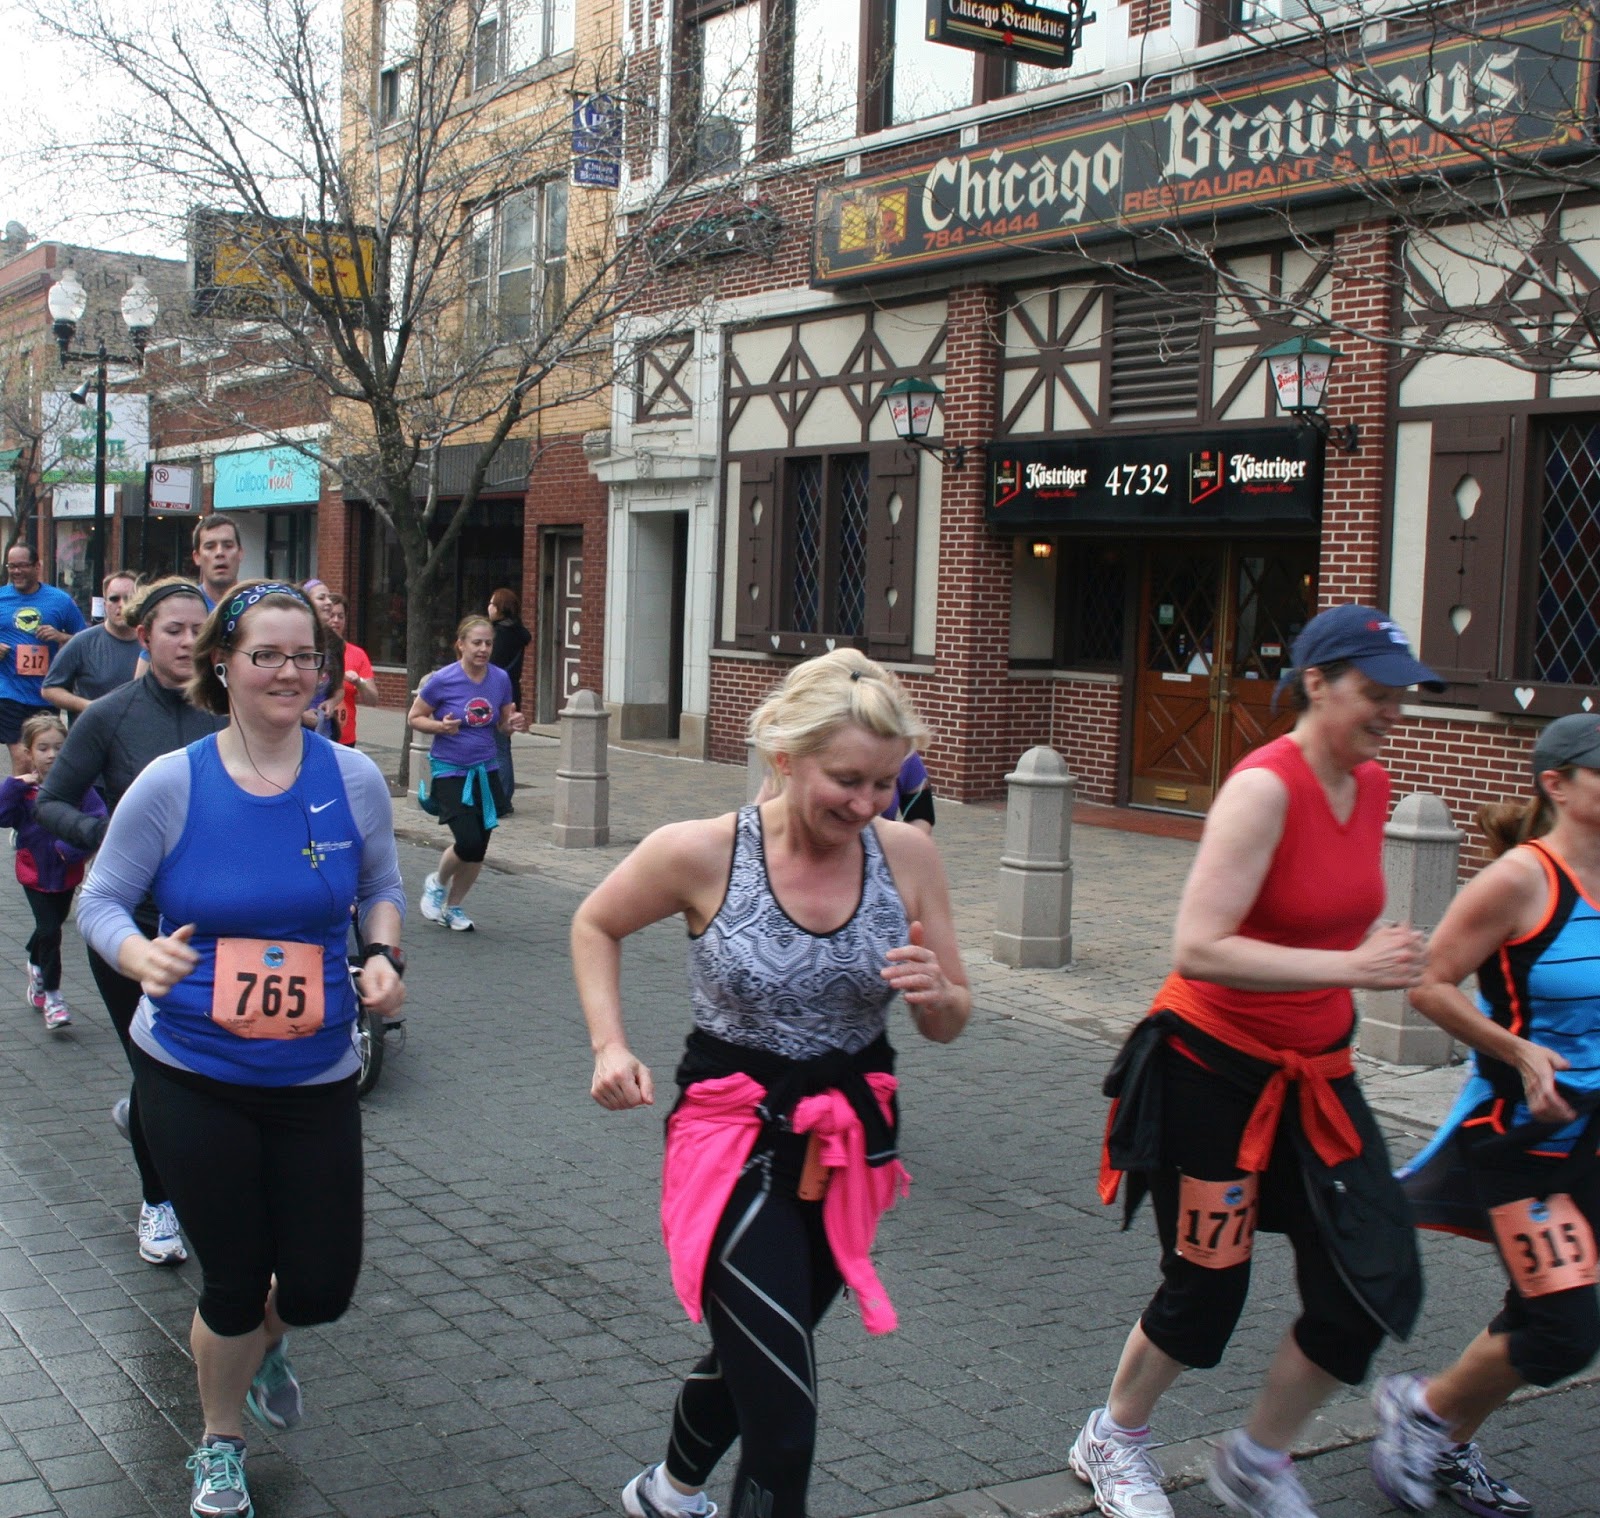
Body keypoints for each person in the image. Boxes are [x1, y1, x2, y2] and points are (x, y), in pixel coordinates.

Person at [571, 648, 970, 1518]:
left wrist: (940, 997)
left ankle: (668, 1492)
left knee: (758, 1350)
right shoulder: (702, 852)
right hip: (733, 1138)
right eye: (848, 780)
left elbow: (949, 1020)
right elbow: (595, 922)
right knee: (783, 1428)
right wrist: (610, 1044)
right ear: (786, 757)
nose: (866, 806)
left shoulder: (907, 857)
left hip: (849, 1143)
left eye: (884, 784)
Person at [1079, 604, 1440, 1518]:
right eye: (1376, 692)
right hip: (1211, 1068)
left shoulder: (1374, 781)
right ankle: (1113, 1437)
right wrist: (1351, 966)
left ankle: (1257, 1458)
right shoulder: (1263, 787)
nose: (1391, 711)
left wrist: (1368, 964)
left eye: (1401, 695)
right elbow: (1198, 944)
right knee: (1207, 1287)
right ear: (1316, 683)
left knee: (1370, 1279)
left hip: (1317, 1073)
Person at [75, 579, 406, 1518]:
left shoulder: (351, 778)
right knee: (229, 1278)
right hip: (192, 1071)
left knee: (320, 1284)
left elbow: (379, 884)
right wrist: (140, 952)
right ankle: (219, 1444)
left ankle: (271, 1341)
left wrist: (382, 952)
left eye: (305, 656)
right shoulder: (176, 782)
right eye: (266, 654)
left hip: (316, 1075)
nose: (289, 673)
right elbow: (101, 899)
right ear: (223, 664)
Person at [1369, 712, 1600, 1518]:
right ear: (1558, 785)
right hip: (1526, 1138)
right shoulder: (1521, 881)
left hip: (1594, 1136)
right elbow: (1428, 984)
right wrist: (1519, 1051)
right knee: (1566, 1329)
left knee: (1543, 1312)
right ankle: (1422, 1415)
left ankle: (1446, 1442)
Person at [37, 577, 222, 1268]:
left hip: (218, 926)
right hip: (132, 929)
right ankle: (159, 1201)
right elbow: (49, 800)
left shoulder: (232, 713)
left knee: (203, 1072)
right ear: (142, 636)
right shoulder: (110, 716)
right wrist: (102, 831)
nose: (184, 641)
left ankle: (176, 1149)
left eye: (194, 629)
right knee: (155, 1073)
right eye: (170, 629)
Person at [409, 615, 528, 931]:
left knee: (480, 849)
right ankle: (438, 880)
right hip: (450, 770)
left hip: (485, 769)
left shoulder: (500, 679)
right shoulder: (442, 680)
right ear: (460, 644)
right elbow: (415, 717)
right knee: (469, 841)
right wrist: (440, 727)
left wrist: (511, 725)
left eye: (488, 643)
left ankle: (454, 907)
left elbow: (503, 723)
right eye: (477, 642)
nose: (484, 649)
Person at [0, 713, 105, 1029]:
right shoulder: (22, 791)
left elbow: (99, 821)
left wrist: (69, 851)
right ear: (28, 753)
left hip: (65, 874)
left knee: (51, 926)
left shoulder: (79, 789)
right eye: (43, 748)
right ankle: (54, 999)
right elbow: (2, 817)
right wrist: (14, 786)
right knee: (50, 930)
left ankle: (34, 962)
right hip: (33, 873)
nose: (51, 755)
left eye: (59, 747)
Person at [1, 540, 87, 773]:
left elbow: (85, 640)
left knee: (44, 764)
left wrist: (60, 636)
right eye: (11, 566)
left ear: (37, 566)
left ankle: (36, 806)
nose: (16, 571)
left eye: (22, 565)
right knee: (23, 758)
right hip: (9, 692)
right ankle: (17, 807)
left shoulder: (59, 601)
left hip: (46, 692)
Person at [42, 570, 142, 713]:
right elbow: (49, 689)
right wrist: (89, 707)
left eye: (129, 598)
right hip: (93, 732)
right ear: (105, 603)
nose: (121, 605)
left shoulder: (152, 644)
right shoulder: (82, 642)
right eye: (114, 599)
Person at [487, 587, 531, 805]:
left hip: (496, 693)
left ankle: (502, 798)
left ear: (500, 608)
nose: (489, 607)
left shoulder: (498, 634)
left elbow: (491, 665)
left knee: (499, 746)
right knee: (502, 745)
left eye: (492, 603)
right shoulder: (517, 632)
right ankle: (502, 795)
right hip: (512, 690)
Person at [325, 593, 378, 748]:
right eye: (331, 615)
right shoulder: (311, 651)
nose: (336, 621)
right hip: (315, 734)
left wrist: (358, 682)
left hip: (345, 739)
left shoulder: (357, 654)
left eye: (340, 616)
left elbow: (373, 700)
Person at [298, 581, 346, 739]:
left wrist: (332, 702)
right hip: (292, 730)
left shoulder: (336, 644)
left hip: (324, 731)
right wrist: (301, 716)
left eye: (329, 598)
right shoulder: (292, 641)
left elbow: (339, 688)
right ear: (305, 603)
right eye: (321, 598)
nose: (329, 602)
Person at [191, 515, 243, 610]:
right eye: (210, 547)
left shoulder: (256, 606)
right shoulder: (187, 606)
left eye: (228, 546)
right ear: (197, 557)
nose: (220, 553)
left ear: (240, 553)